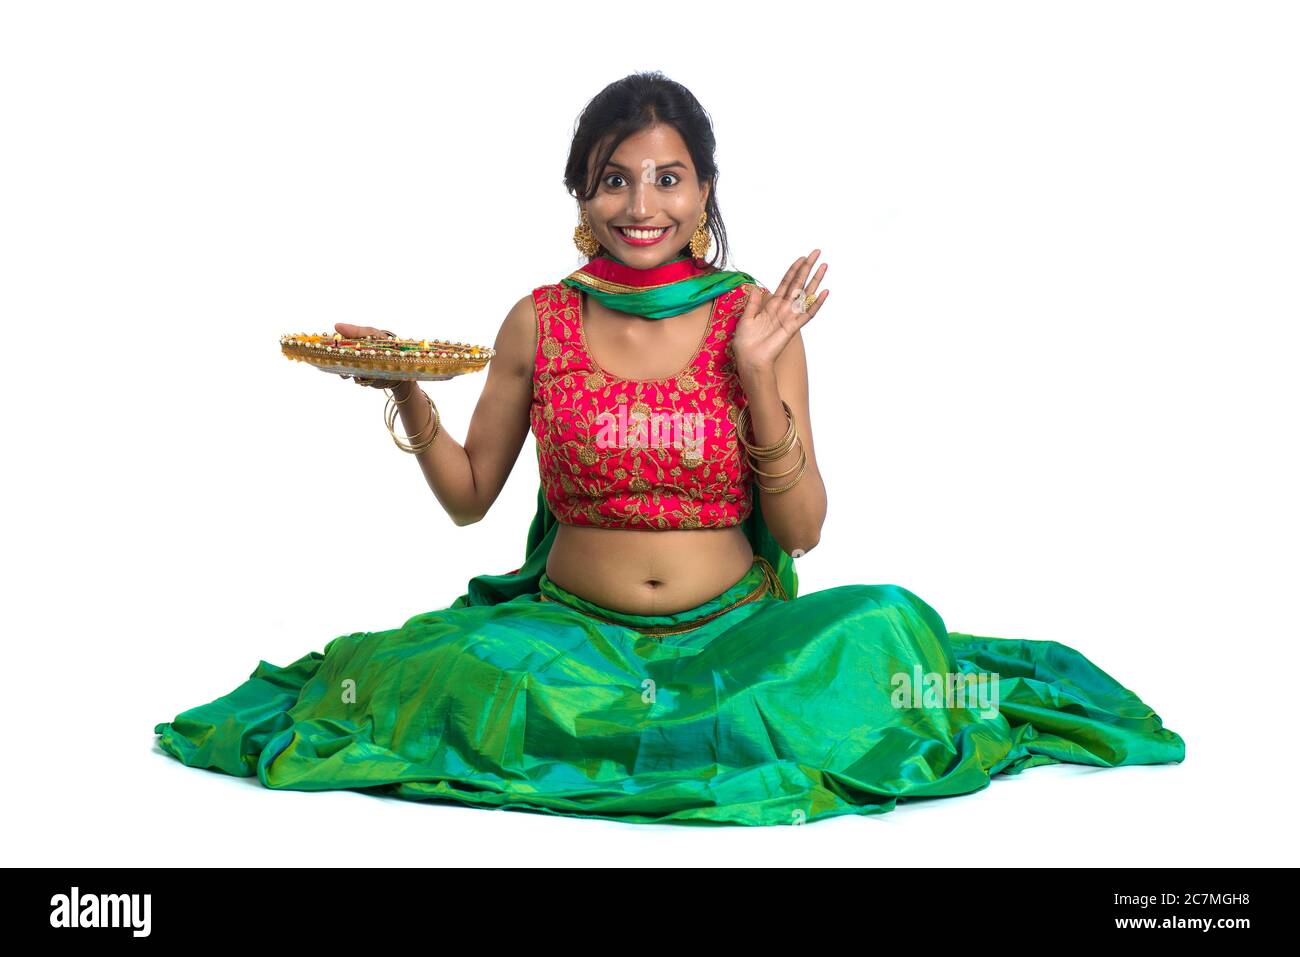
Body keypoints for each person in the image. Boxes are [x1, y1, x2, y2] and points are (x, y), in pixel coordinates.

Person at [153, 71, 1185, 827]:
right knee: (424, 676)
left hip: (730, 634)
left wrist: (752, 379)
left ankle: (685, 715)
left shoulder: (753, 317)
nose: (639, 206)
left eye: (667, 179)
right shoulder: (537, 320)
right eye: (613, 180)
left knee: (883, 626)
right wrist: (408, 397)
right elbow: (470, 497)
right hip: (568, 636)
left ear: (702, 194)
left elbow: (804, 534)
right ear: (580, 198)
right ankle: (641, 722)